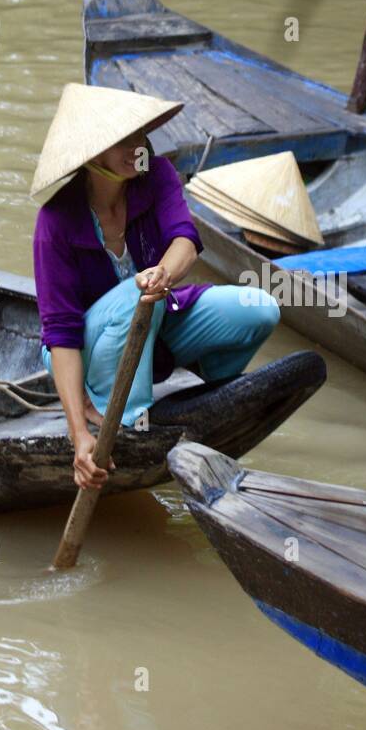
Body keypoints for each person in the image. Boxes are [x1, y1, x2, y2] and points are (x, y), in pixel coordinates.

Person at [31, 83, 280, 490]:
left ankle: (207, 395)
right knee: (135, 295)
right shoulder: (55, 222)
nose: (138, 147)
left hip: (155, 316)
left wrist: (162, 273)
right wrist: (79, 434)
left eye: (140, 136)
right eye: (123, 141)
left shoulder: (158, 175)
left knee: (260, 307)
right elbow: (60, 333)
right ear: (93, 154)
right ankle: (132, 421)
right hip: (90, 349)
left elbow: (186, 239)